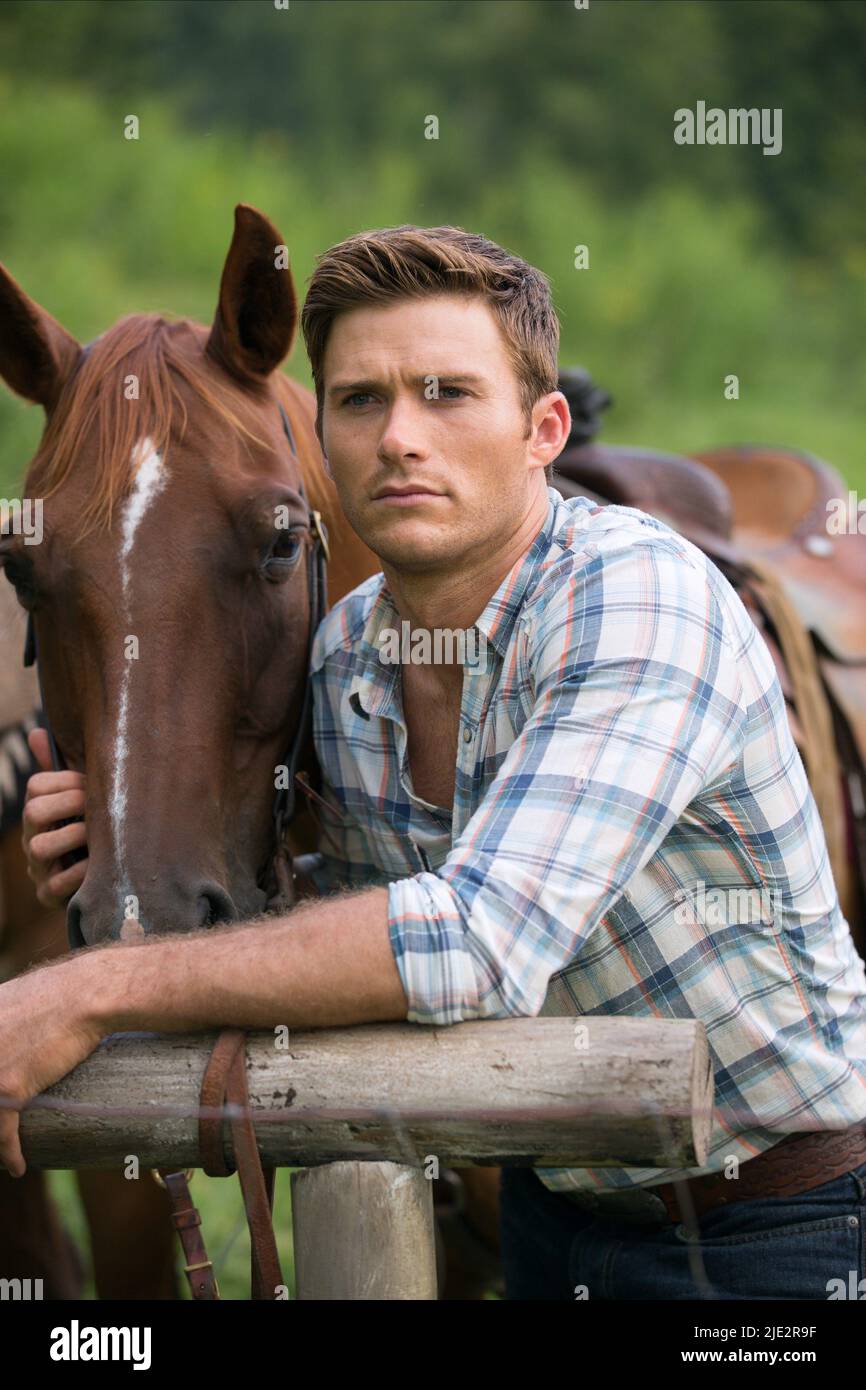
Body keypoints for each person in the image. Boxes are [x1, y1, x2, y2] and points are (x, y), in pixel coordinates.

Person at [3, 226, 866, 1301]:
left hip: (779, 1227)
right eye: (360, 400)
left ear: (542, 428)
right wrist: (155, 851)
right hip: (555, 1224)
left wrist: (92, 988)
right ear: (321, 433)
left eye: (446, 392)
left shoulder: (638, 600)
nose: (398, 436)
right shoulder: (353, 650)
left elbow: (472, 941)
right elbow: (374, 914)